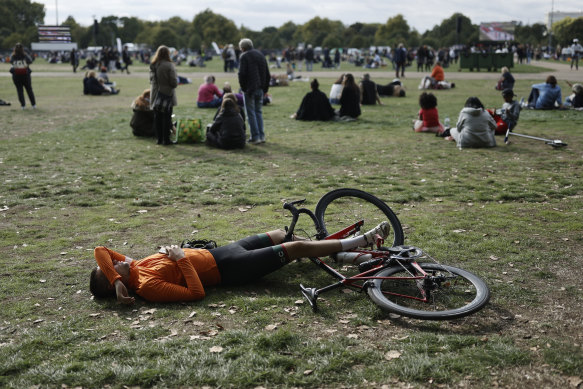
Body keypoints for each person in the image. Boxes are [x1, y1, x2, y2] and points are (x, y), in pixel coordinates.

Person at [89, 222, 391, 304]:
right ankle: (362, 242)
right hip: (230, 270)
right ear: (120, 282)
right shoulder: (146, 285)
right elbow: (196, 294)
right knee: (295, 247)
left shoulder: (134, 266)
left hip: (225, 251)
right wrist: (181, 260)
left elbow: (100, 249)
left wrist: (114, 279)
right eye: (113, 271)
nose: (115, 263)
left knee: (280, 233)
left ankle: (340, 255)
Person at [238, 38, 270, 144]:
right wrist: (265, 88)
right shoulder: (260, 55)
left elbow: (241, 74)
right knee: (258, 112)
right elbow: (267, 73)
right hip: (260, 87)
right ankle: (261, 136)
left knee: (250, 113)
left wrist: (243, 88)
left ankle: (255, 137)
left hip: (250, 89)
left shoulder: (244, 56)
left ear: (243, 48)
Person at [150, 45, 178, 145]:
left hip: (155, 94)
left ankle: (159, 138)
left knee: (157, 117)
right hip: (167, 94)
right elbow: (174, 82)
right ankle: (166, 139)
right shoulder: (169, 65)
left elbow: (151, 80)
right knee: (167, 117)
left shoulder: (153, 65)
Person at [9, 43, 36, 110]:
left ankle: (23, 105)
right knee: (29, 90)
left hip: (16, 75)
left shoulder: (13, 56)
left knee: (19, 90)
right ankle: (33, 105)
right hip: (25, 75)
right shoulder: (25, 55)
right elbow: (30, 61)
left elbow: (11, 62)